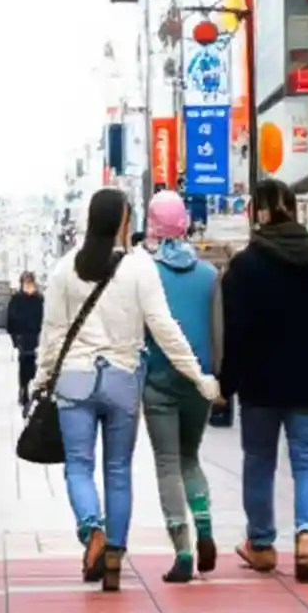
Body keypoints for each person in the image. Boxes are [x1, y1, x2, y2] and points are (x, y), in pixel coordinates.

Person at [30, 188, 220, 592]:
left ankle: (91, 532)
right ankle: (114, 555)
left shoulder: (65, 269)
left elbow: (52, 335)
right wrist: (197, 375)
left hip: (75, 382)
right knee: (118, 470)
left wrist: (40, 379)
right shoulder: (139, 268)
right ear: (122, 222)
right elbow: (164, 329)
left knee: (78, 466)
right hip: (122, 380)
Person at [220, 178, 308, 583]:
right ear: (292, 207)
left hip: (260, 386)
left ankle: (261, 545)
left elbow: (234, 332)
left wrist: (227, 385)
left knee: (259, 462)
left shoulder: (244, 266)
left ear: (257, 212)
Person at [140, 191, 220, 583]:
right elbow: (217, 330)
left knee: (167, 464)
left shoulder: (146, 272)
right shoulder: (209, 275)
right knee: (190, 457)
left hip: (158, 379)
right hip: (199, 381)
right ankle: (205, 525)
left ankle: (183, 550)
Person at [7, 272, 44, 408]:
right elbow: (10, 319)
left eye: (30, 282)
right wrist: (14, 338)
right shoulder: (16, 299)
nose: (28, 285)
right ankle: (23, 390)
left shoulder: (39, 299)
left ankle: (33, 389)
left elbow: (45, 318)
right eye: (26, 282)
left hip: (36, 337)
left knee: (36, 365)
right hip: (23, 337)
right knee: (23, 366)